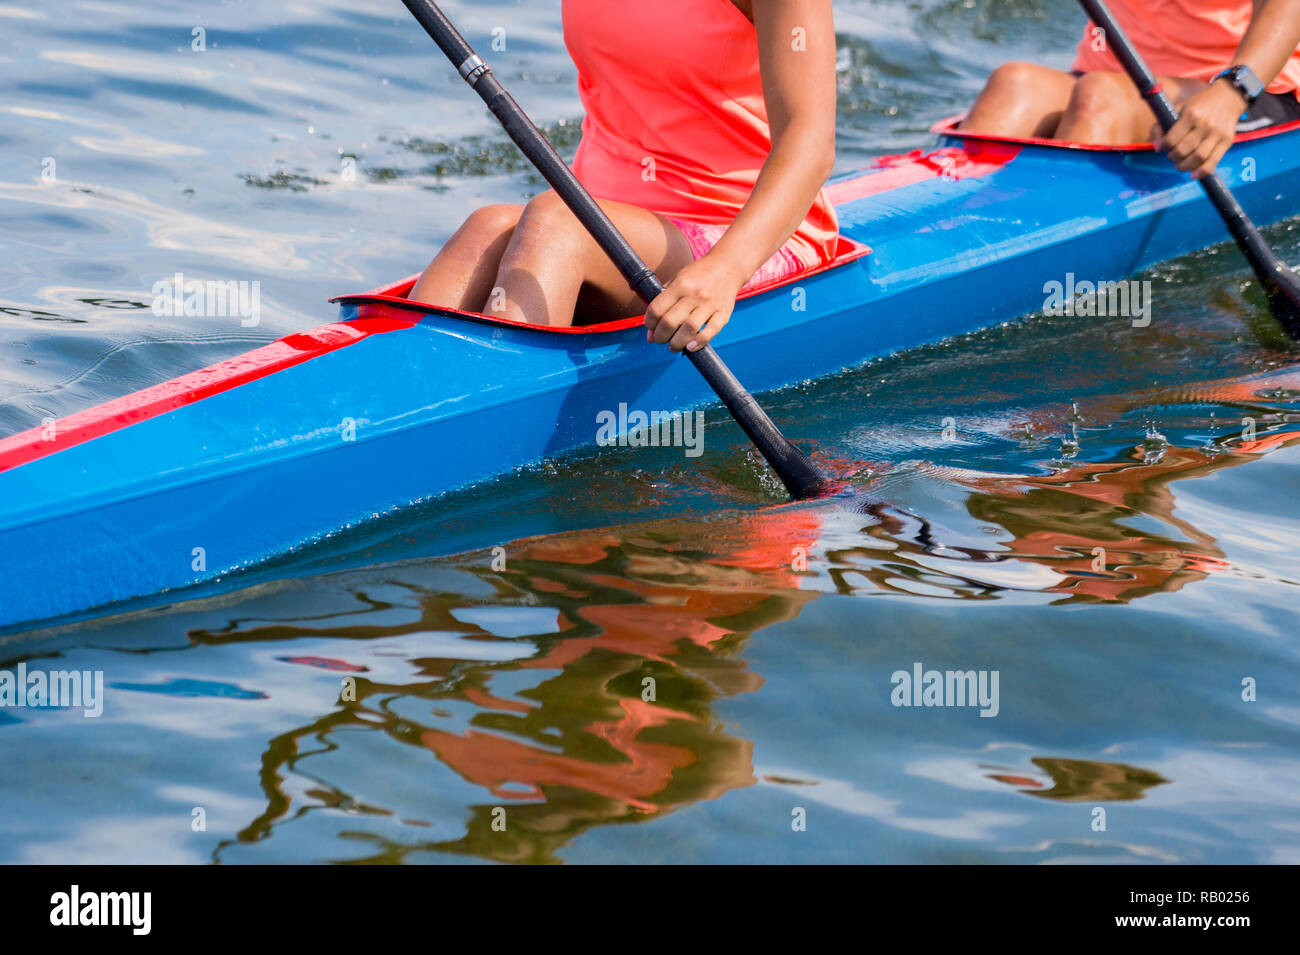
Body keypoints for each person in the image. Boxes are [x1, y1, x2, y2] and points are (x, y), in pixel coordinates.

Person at [407, 0, 839, 353]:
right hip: (597, 219)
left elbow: (810, 144)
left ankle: (485, 417)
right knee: (486, 228)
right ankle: (401, 386)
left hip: (736, 228)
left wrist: (725, 271)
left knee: (557, 223)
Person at [960, 0, 1300, 179]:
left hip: (1241, 87)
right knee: (1013, 86)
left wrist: (1232, 92)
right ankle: (951, 228)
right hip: (1105, 73)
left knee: (1100, 99)